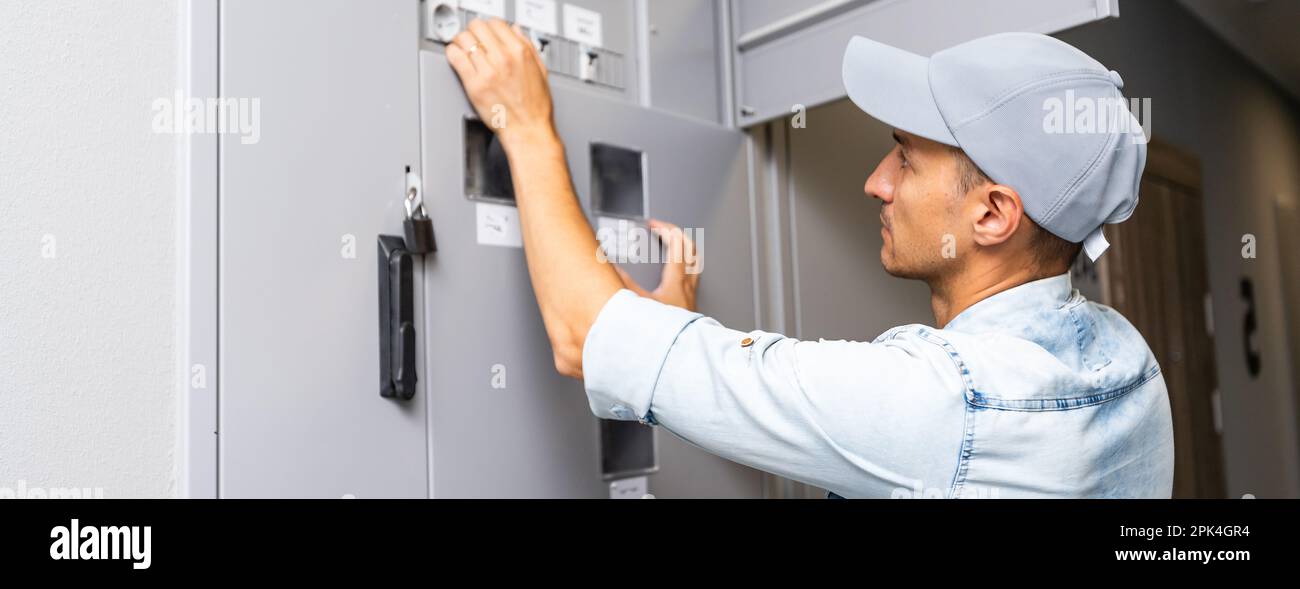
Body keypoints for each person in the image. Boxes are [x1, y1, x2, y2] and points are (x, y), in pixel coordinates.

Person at [443, 19, 1173, 498]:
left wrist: (527, 123)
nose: (876, 183)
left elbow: (581, 333)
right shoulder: (1131, 363)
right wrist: (683, 351)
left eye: (906, 159)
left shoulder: (942, 402)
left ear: (992, 214)